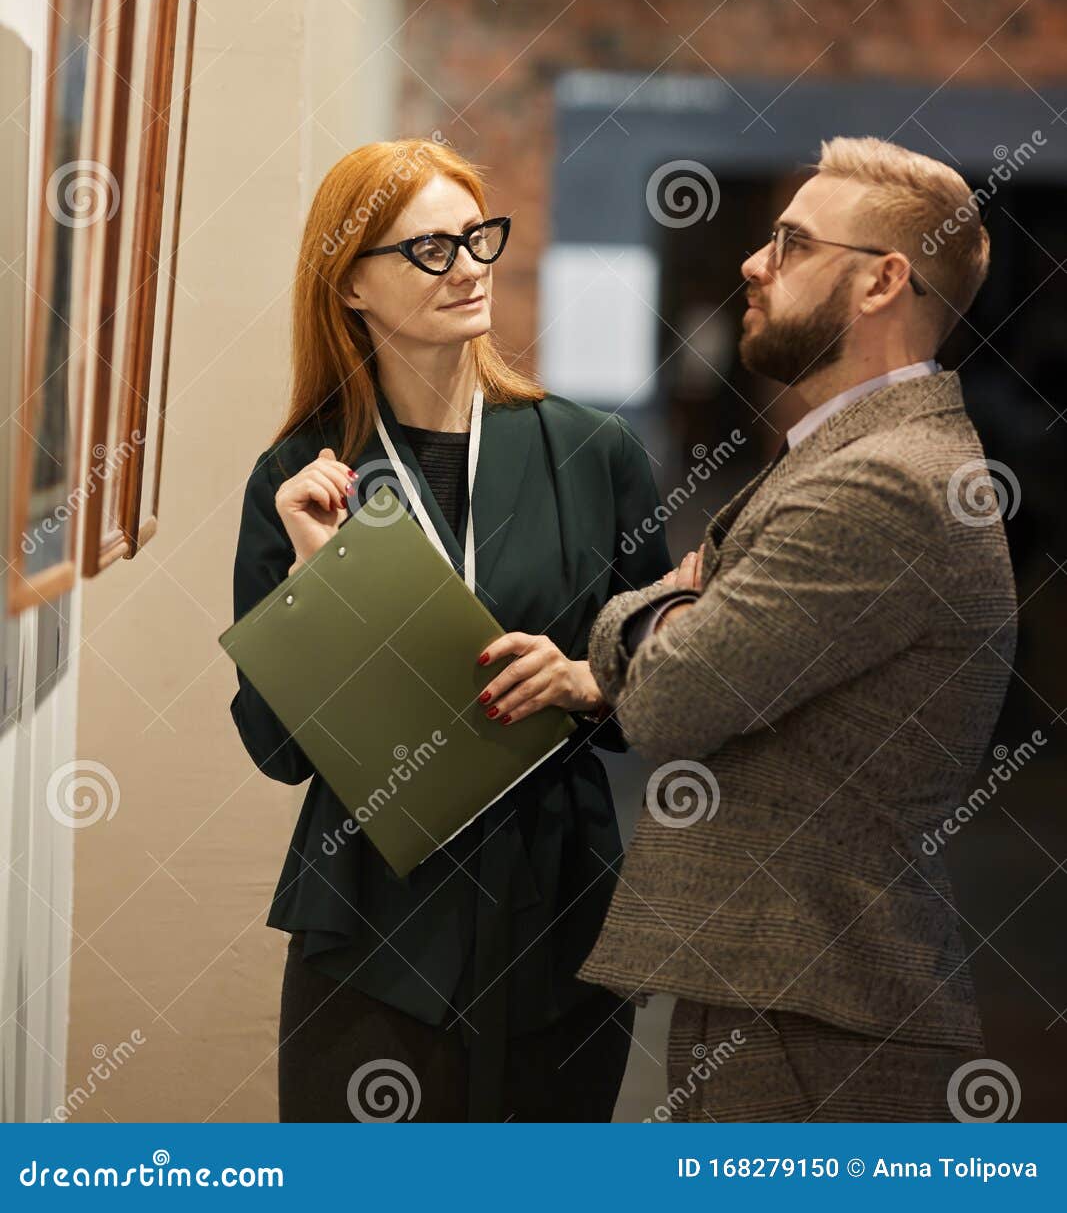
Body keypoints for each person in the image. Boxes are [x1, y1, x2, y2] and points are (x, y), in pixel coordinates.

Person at [573, 136, 1018, 1122]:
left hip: (812, 1023)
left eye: (789, 242)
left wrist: (661, 610)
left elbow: (675, 699)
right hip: (782, 1000)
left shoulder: (883, 484)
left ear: (881, 281)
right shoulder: (849, 454)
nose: (750, 262)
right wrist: (671, 610)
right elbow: (684, 652)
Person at [230, 136, 670, 1122]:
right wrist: (317, 579)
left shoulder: (591, 454)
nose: (470, 265)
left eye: (476, 237)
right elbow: (276, 748)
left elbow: (663, 685)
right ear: (348, 287)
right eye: (430, 250)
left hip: (557, 896)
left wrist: (585, 680)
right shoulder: (299, 476)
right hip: (372, 910)